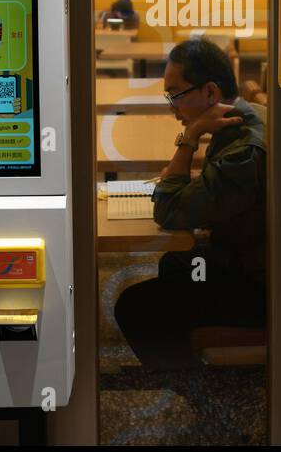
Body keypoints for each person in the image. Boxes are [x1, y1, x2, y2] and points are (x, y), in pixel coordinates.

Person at [113, 38, 266, 371]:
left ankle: (196, 391)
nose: (172, 107)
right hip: (251, 259)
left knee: (132, 306)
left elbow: (169, 212)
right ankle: (196, 365)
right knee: (178, 262)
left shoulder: (242, 150)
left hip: (261, 289)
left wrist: (190, 136)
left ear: (210, 93)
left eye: (176, 94)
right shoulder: (245, 119)